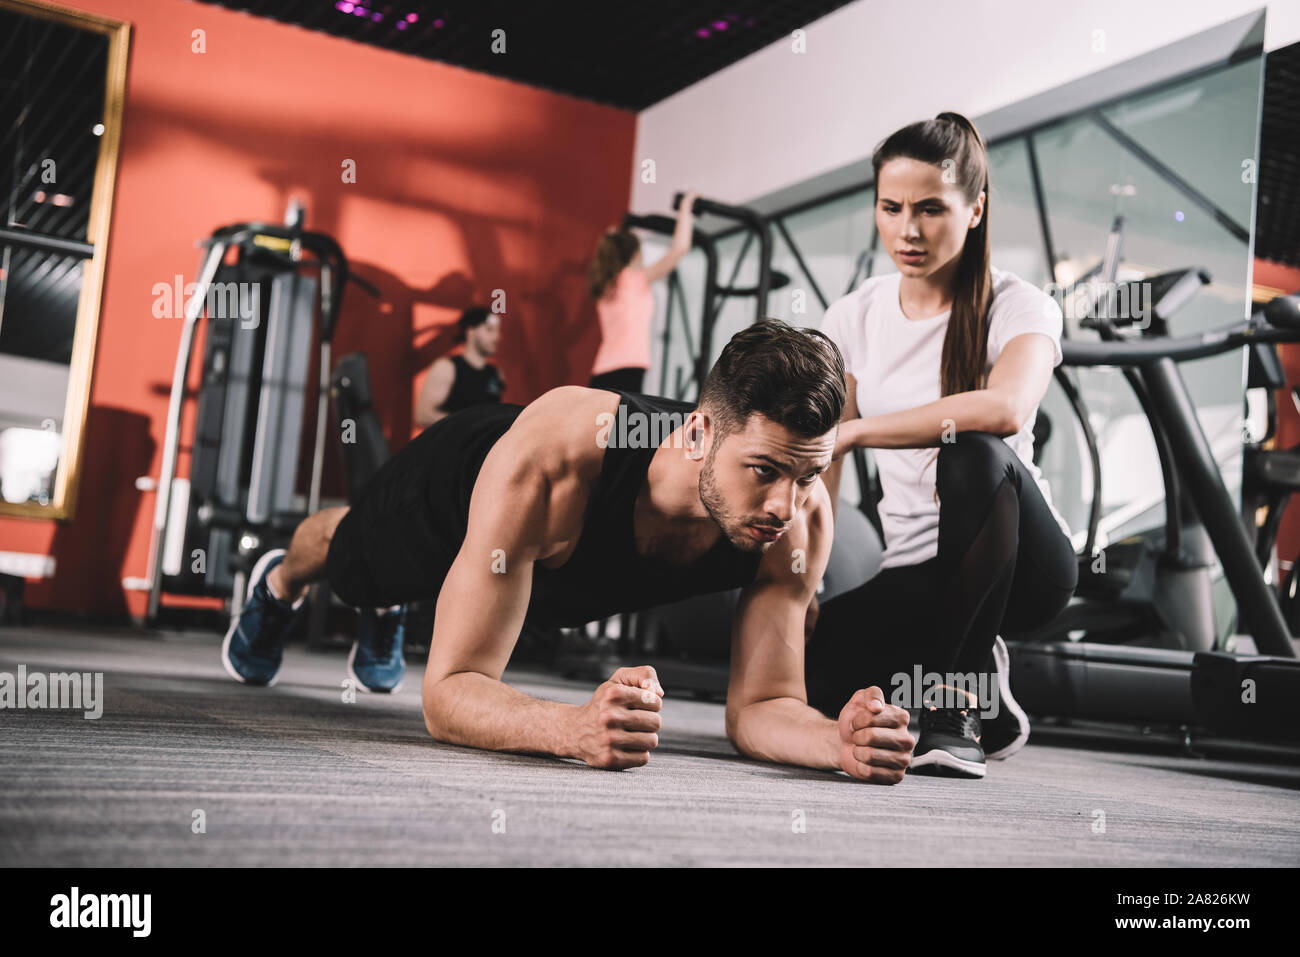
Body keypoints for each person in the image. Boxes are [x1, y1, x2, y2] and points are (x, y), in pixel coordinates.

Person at [221, 320, 915, 784]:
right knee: (350, 566)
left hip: (547, 562)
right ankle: (277, 580)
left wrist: (835, 742)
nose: (784, 506)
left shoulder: (798, 517)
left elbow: (762, 702)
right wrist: (572, 728)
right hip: (453, 491)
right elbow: (449, 691)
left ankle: (390, 600)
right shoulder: (556, 460)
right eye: (764, 471)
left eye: (807, 473)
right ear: (699, 434)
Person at [812, 112, 1078, 779]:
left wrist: (861, 428)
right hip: (917, 568)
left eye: (931, 209)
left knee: (974, 448)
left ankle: (956, 702)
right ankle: (983, 680)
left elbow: (1006, 406)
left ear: (976, 207)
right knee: (820, 682)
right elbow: (829, 466)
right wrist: (806, 582)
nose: (908, 229)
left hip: (1020, 563)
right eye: (891, 207)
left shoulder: (1020, 305)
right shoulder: (853, 315)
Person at [587, 191, 700, 393]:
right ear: (635, 254)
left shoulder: (604, 285)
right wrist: (686, 206)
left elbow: (607, 249)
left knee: (602, 426)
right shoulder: (632, 280)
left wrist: (612, 237)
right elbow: (680, 249)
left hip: (601, 372)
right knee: (624, 426)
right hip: (626, 372)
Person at [415, 307, 505, 427]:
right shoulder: (447, 368)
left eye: (497, 331)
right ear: (471, 331)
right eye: (489, 330)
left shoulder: (496, 373)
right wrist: (472, 425)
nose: (497, 337)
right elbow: (423, 415)